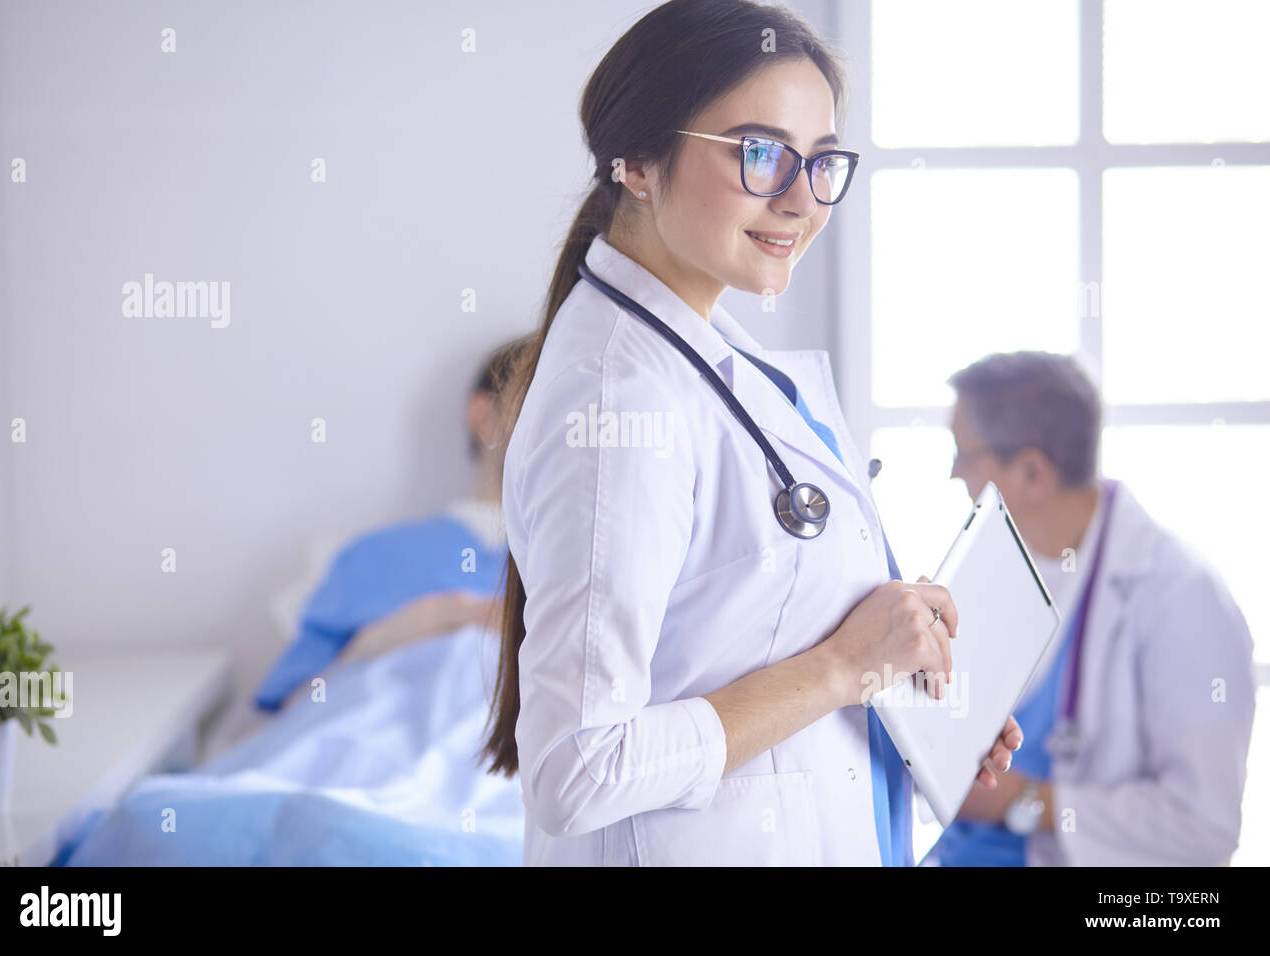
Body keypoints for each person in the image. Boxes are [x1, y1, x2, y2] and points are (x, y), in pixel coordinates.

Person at [480, 0, 1021, 866]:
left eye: (822, 162)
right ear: (641, 161)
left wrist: (898, 666)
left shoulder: (707, 351)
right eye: (762, 155)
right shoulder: (619, 404)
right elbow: (576, 768)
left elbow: (738, 628)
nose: (802, 201)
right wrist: (844, 667)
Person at [928, 351, 1256, 866]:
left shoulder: (1180, 596)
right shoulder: (1011, 565)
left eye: (964, 453)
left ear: (1032, 472)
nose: (952, 474)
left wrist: (1019, 800)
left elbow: (1203, 826)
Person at [252, 338, 528, 712]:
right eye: (534, 401)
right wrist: (394, 636)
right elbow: (285, 719)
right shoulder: (372, 558)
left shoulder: (585, 570)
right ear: (483, 415)